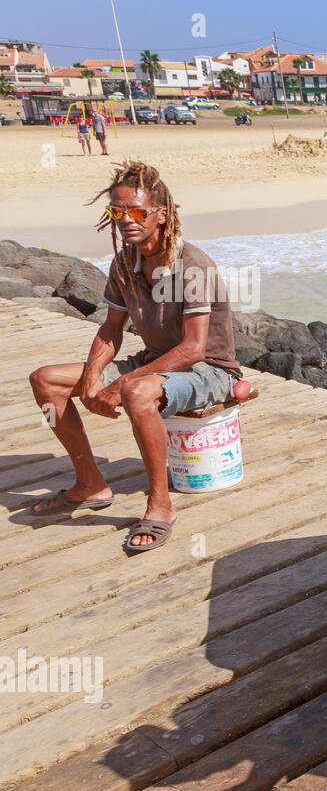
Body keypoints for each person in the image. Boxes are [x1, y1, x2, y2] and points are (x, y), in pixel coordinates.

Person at [27, 161, 242, 552]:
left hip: (209, 370)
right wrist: (94, 376)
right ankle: (90, 482)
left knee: (137, 393)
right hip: (156, 360)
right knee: (45, 379)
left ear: (161, 215)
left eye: (138, 212)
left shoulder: (193, 265)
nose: (127, 220)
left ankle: (160, 504)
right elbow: (111, 329)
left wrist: (122, 382)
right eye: (117, 211)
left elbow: (194, 349)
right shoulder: (125, 262)